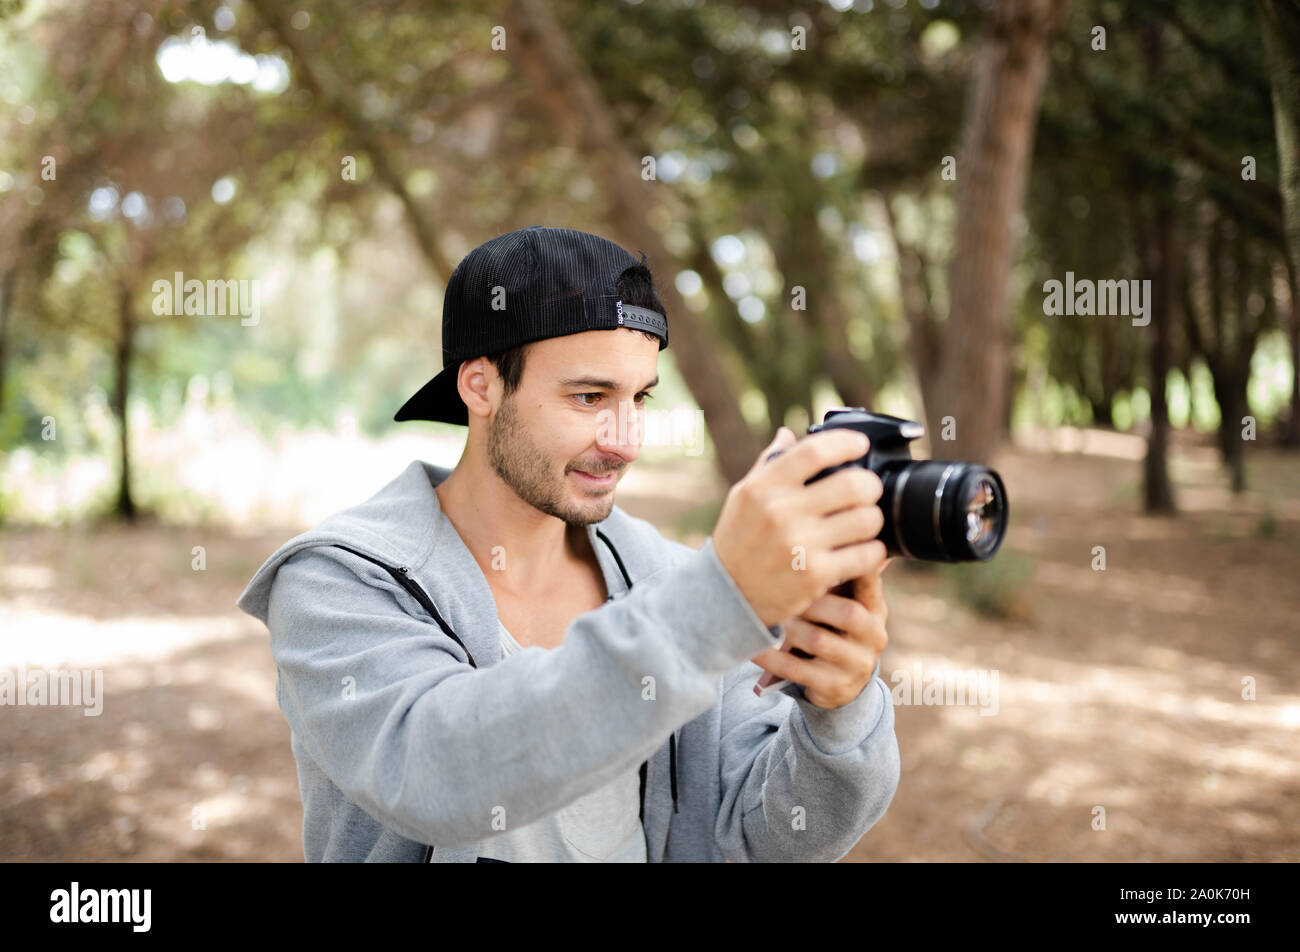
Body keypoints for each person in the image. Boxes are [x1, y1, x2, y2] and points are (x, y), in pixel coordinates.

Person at [236, 225, 899, 862]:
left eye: (639, 397)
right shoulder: (336, 582)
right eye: (589, 396)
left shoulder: (669, 579)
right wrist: (719, 604)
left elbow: (760, 841)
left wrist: (837, 716)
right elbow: (437, 774)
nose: (625, 440)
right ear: (481, 385)